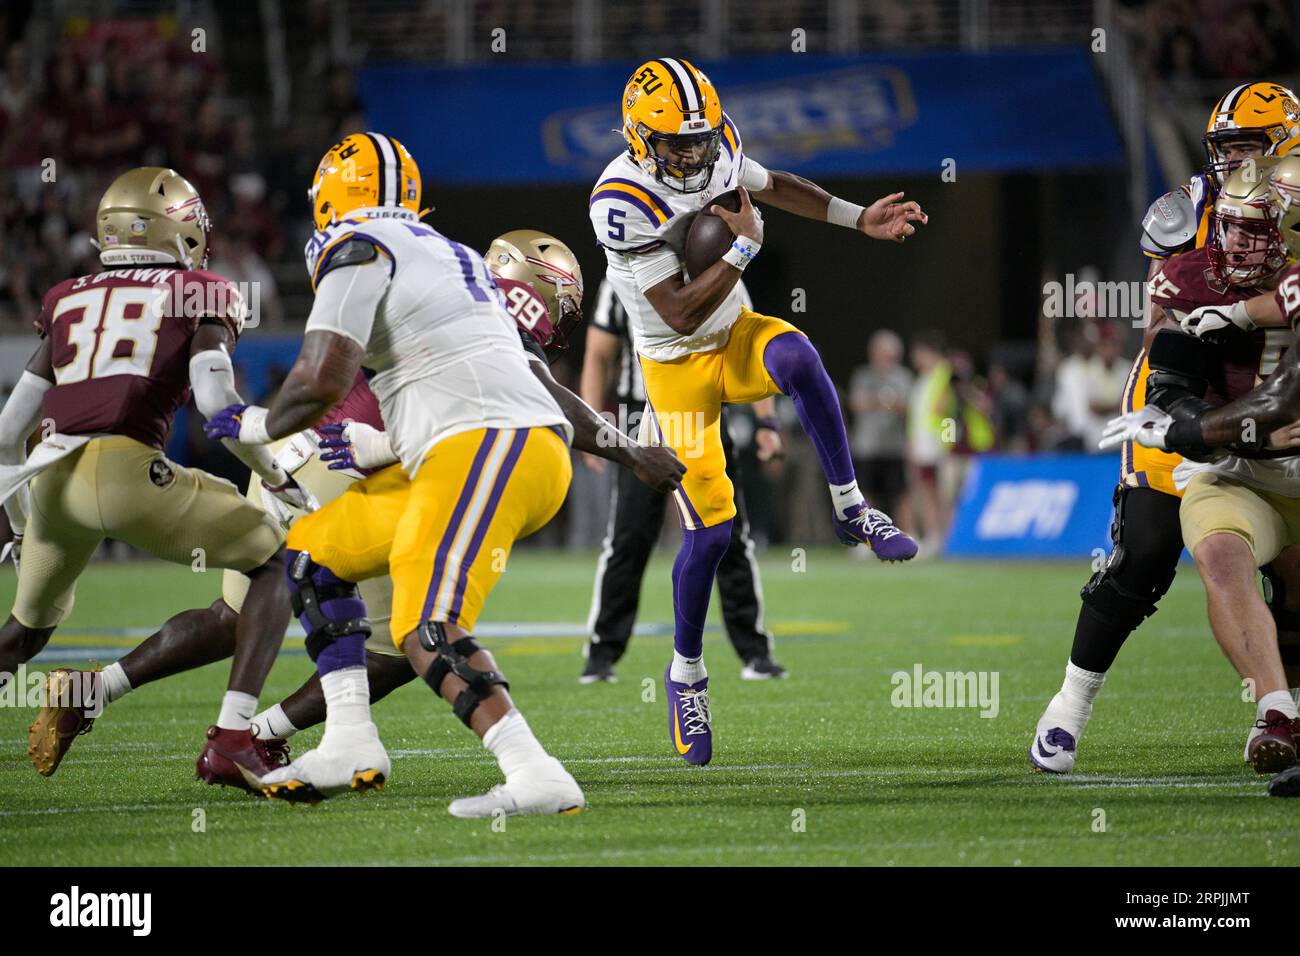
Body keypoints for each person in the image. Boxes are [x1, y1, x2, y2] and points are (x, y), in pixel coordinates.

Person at [204, 131, 685, 817]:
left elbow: (319, 378)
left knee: (424, 624)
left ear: (335, 198)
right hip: (473, 448)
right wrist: (631, 451)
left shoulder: (360, 245)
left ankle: (534, 773)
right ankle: (349, 740)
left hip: (489, 444)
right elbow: (518, 375)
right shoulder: (449, 255)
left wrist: (253, 425)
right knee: (312, 555)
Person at [588, 57, 925, 764]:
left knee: (799, 355)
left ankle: (850, 506)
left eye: (702, 139)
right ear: (638, 138)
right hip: (674, 366)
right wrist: (743, 247)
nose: (695, 152)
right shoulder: (619, 200)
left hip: (734, 335)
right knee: (711, 535)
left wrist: (856, 217)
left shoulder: (716, 145)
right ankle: (686, 676)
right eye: (677, 143)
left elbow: (777, 185)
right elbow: (676, 315)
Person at [0, 167, 309, 787]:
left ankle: (86, 693)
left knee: (22, 633)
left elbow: (8, 432)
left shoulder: (68, 296)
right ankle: (231, 738)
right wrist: (275, 474)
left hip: (52, 480)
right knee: (274, 560)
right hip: (128, 475)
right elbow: (217, 407)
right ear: (178, 228)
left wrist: (21, 524)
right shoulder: (199, 291)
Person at [1028, 82, 1300, 775]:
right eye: (1228, 149)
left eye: (1249, 148)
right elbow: (1164, 332)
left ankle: (1278, 715)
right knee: (1144, 554)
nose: (1235, 162)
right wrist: (1188, 415)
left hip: (1283, 403)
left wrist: (1248, 317)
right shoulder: (1190, 214)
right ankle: (1069, 707)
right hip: (1199, 396)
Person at [579, 277, 787, 684]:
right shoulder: (621, 276)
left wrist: (766, 421)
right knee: (629, 537)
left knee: (729, 534)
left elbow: (754, 350)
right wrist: (595, 423)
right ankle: (602, 654)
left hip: (702, 414)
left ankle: (754, 651)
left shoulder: (723, 275)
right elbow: (598, 354)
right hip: (641, 417)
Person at [849, 329, 912, 524]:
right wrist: (883, 401)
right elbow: (855, 403)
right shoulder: (863, 375)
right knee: (866, 494)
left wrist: (883, 403)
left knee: (900, 493)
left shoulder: (903, 376)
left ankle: (908, 534)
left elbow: (907, 407)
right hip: (867, 446)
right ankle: (868, 535)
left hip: (895, 446)